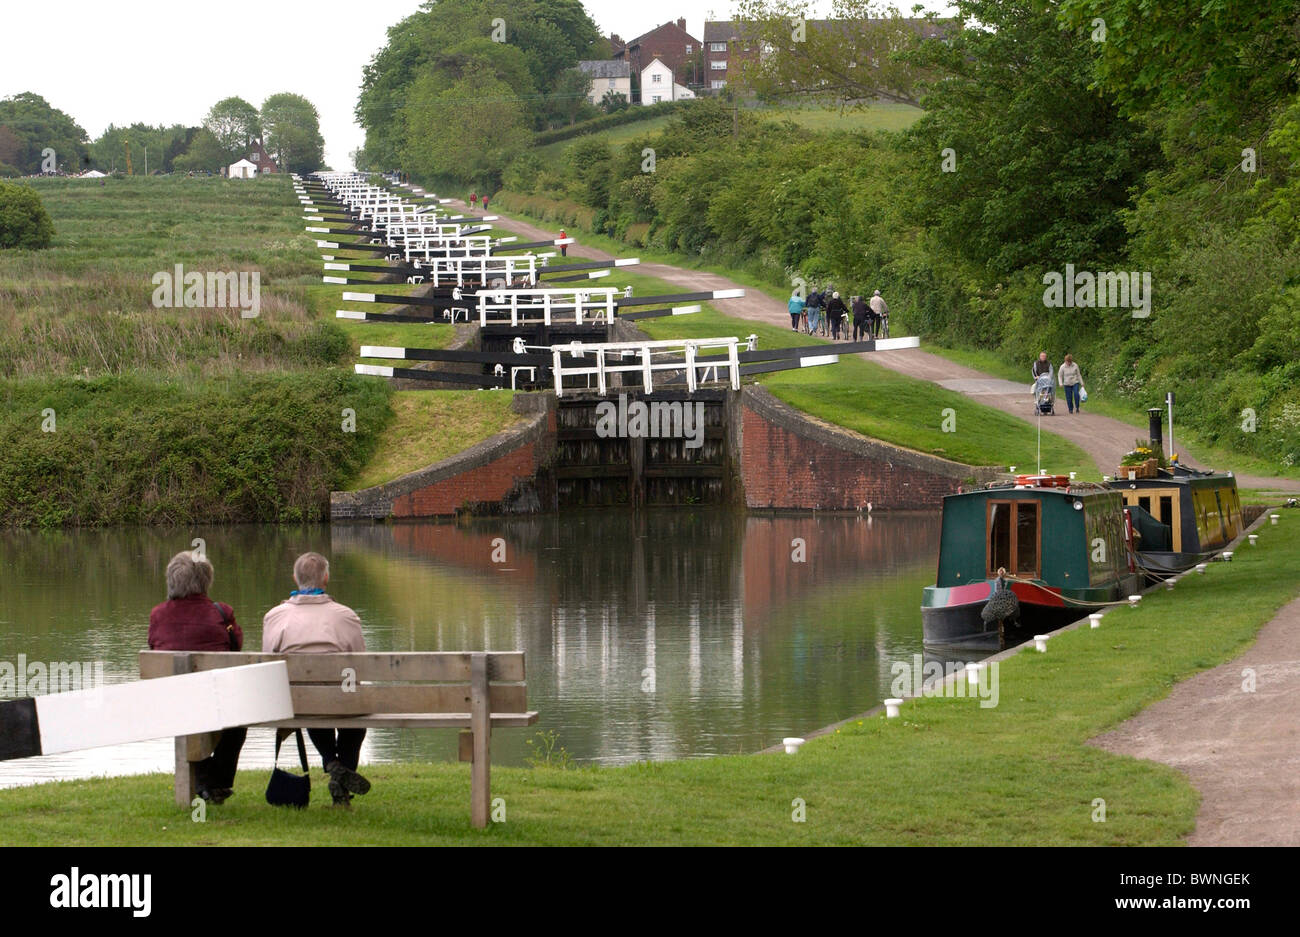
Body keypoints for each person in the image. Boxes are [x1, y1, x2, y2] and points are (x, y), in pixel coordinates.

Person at [262, 552, 371, 807]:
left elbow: (267, 665)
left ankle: (332, 763)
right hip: (342, 701)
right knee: (353, 723)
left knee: (311, 703)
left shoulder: (275, 616)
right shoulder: (346, 616)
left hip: (299, 702)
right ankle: (341, 783)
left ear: (295, 578)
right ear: (326, 578)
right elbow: (361, 666)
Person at [148, 551, 246, 805]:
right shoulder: (221, 613)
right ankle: (213, 782)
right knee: (238, 722)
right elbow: (236, 648)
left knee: (193, 717)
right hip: (216, 701)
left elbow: (153, 647)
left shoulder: (157, 615)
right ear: (206, 580)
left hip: (169, 703)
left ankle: (207, 782)